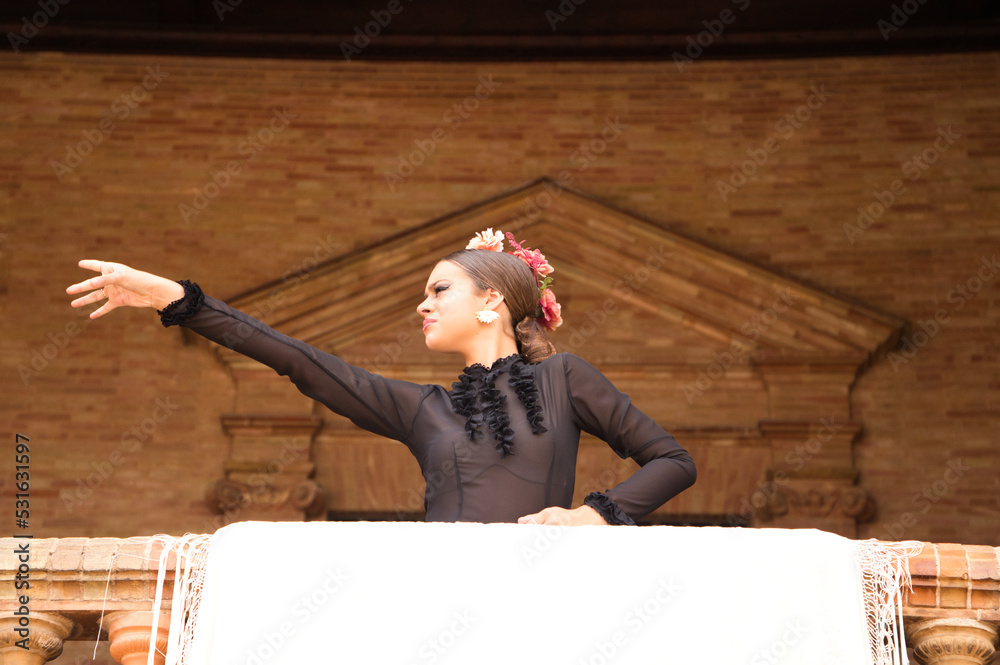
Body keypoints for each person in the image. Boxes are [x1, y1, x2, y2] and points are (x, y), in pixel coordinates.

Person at [67, 228, 696, 525]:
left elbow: (672, 460)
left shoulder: (565, 378)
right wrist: (177, 299)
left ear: (491, 302)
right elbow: (296, 359)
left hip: (537, 603)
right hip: (433, 608)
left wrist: (591, 516)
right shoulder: (423, 409)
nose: (422, 305)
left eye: (438, 289)